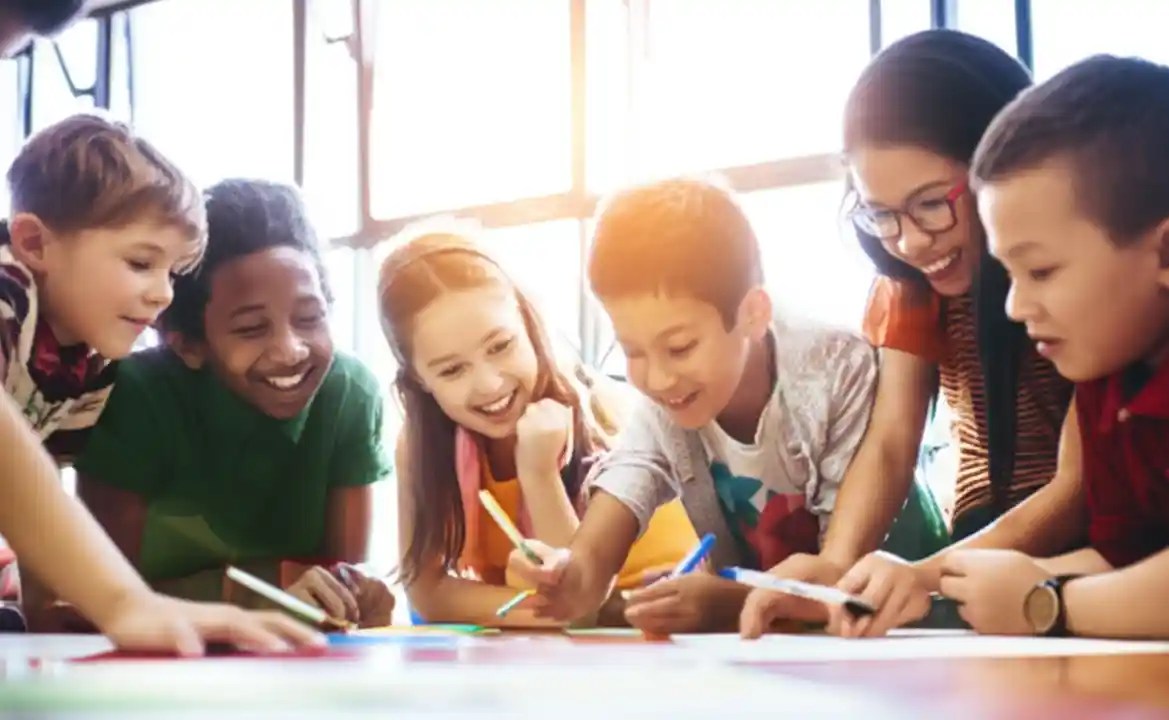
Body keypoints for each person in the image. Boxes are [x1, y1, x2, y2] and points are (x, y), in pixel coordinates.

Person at [924, 55, 1169, 641]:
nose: (1014, 307)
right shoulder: (1112, 357)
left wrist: (1045, 603)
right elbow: (1128, 562)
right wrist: (936, 584)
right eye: (1009, 275)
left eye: (1040, 270)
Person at [742, 30, 1082, 639]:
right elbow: (892, 441)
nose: (911, 240)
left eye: (931, 204)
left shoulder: (1080, 268)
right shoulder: (908, 284)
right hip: (982, 530)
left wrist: (923, 575)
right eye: (881, 214)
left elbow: (1083, 482)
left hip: (1088, 525)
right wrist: (839, 564)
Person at [510, 177, 943, 634]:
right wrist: (569, 575)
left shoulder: (834, 368)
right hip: (784, 642)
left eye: (679, 347)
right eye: (632, 351)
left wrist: (726, 604)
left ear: (753, 314)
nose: (656, 378)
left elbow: (835, 578)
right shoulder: (665, 402)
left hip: (914, 622)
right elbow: (618, 501)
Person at [2, 114, 321, 653]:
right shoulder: (8, 290)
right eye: (141, 262)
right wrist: (124, 602)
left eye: (172, 272)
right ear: (34, 243)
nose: (163, 294)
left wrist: (42, 622)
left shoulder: (89, 362)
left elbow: (34, 488)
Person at [75, 179, 394, 628]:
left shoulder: (348, 393)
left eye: (309, 318)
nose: (291, 350)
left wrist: (358, 592)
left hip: (294, 664)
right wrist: (260, 591)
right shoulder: (134, 396)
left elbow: (337, 582)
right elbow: (93, 602)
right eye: (250, 329)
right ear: (186, 344)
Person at [379, 229, 698, 626]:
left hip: (663, 622)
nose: (490, 384)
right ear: (419, 379)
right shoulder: (423, 445)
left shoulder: (601, 410)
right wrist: (538, 611)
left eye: (500, 346)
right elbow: (427, 591)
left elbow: (579, 600)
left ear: (529, 325)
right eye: (452, 369)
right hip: (572, 640)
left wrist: (539, 473)